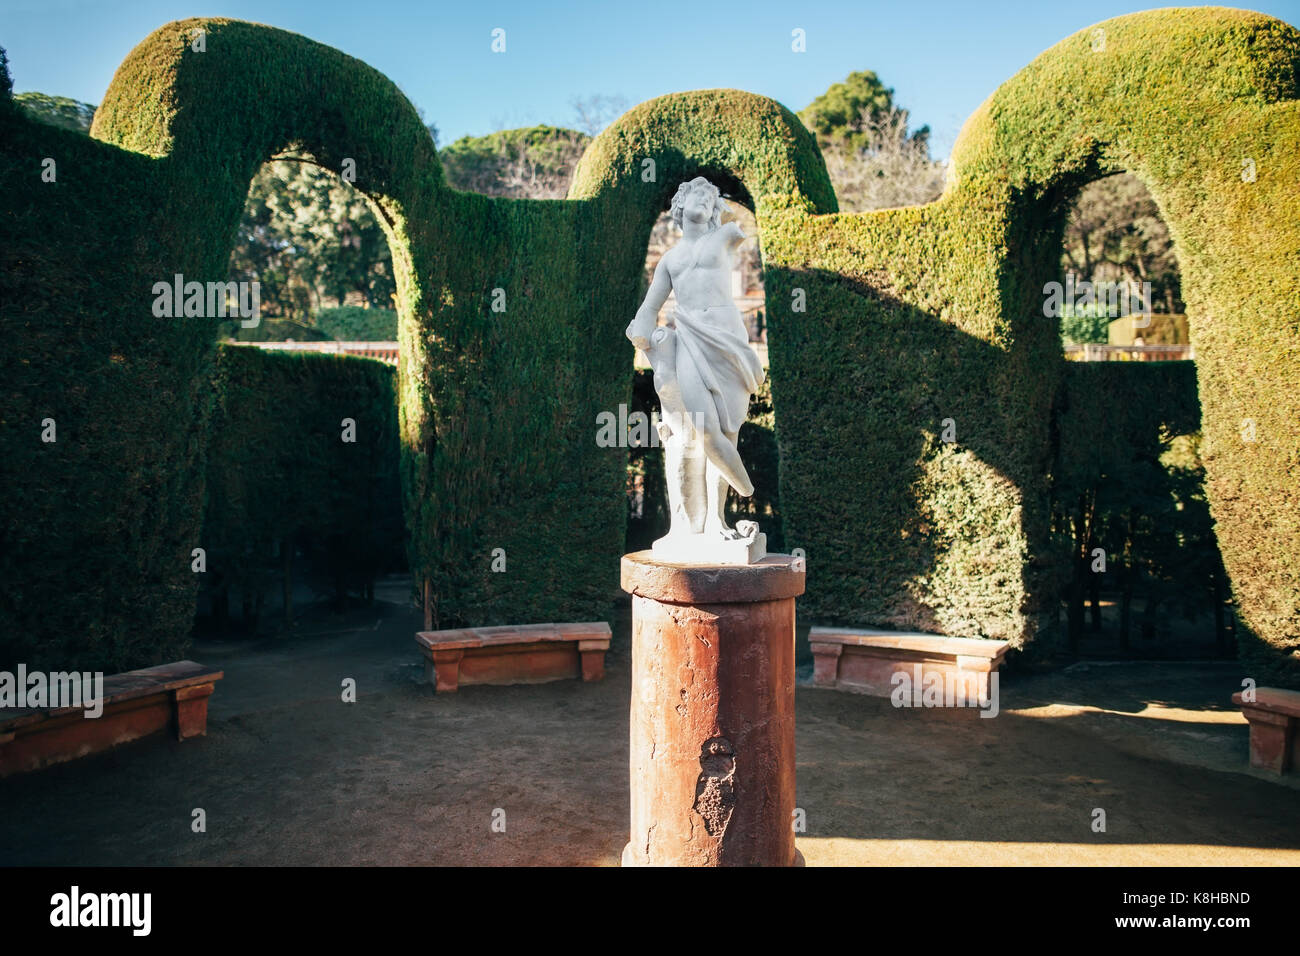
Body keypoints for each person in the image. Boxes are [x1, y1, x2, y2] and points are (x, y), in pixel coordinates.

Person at [625, 177, 765, 550]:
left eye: (709, 195)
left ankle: (719, 521)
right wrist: (640, 330)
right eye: (696, 194)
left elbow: (742, 230)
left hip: (727, 341)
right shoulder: (670, 260)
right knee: (702, 428)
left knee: (727, 427)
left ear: (714, 207)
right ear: (681, 205)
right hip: (689, 339)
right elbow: (650, 307)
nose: (703, 199)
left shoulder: (727, 235)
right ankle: (746, 488)